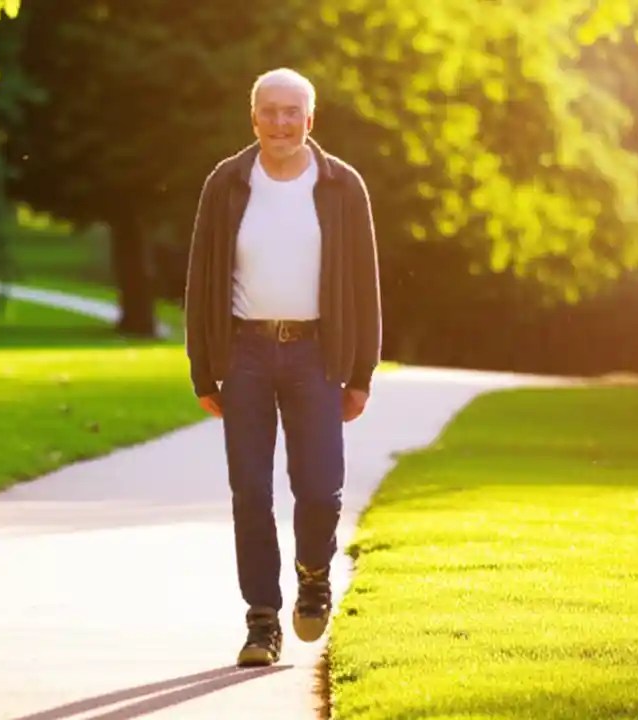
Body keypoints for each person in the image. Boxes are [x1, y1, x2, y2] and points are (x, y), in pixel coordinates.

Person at [182, 67, 382, 667]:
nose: (280, 122)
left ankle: (314, 572)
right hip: (242, 353)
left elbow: (365, 287)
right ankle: (262, 620)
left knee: (319, 489)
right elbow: (201, 280)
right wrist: (202, 368)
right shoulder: (227, 183)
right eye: (269, 111)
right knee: (249, 490)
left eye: (291, 111)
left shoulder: (343, 187)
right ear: (254, 118)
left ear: (310, 119)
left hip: (317, 354)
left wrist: (362, 373)